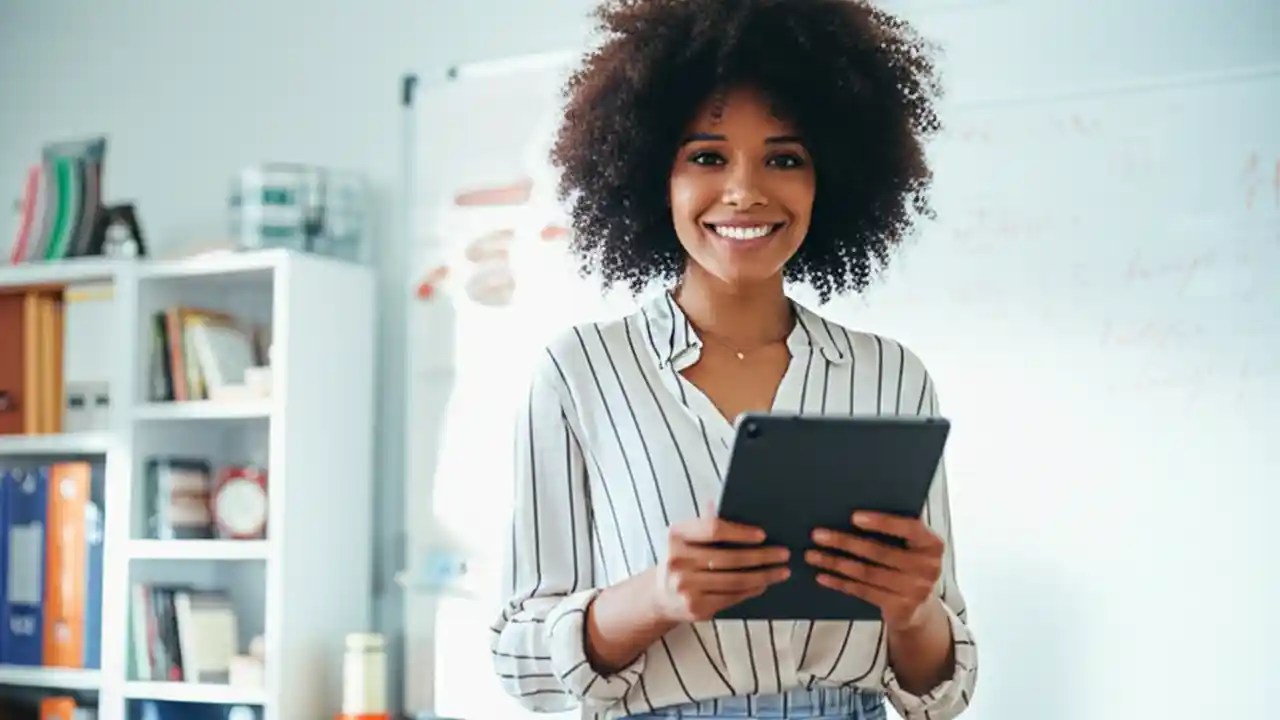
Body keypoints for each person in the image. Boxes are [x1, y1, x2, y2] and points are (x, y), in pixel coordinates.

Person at [489, 1, 978, 718]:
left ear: (831, 179)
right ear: (651, 172)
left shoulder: (893, 376)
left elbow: (944, 689)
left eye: (784, 158)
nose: (745, 190)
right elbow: (521, 666)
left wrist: (911, 611)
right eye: (707, 156)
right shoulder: (581, 371)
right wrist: (655, 598)